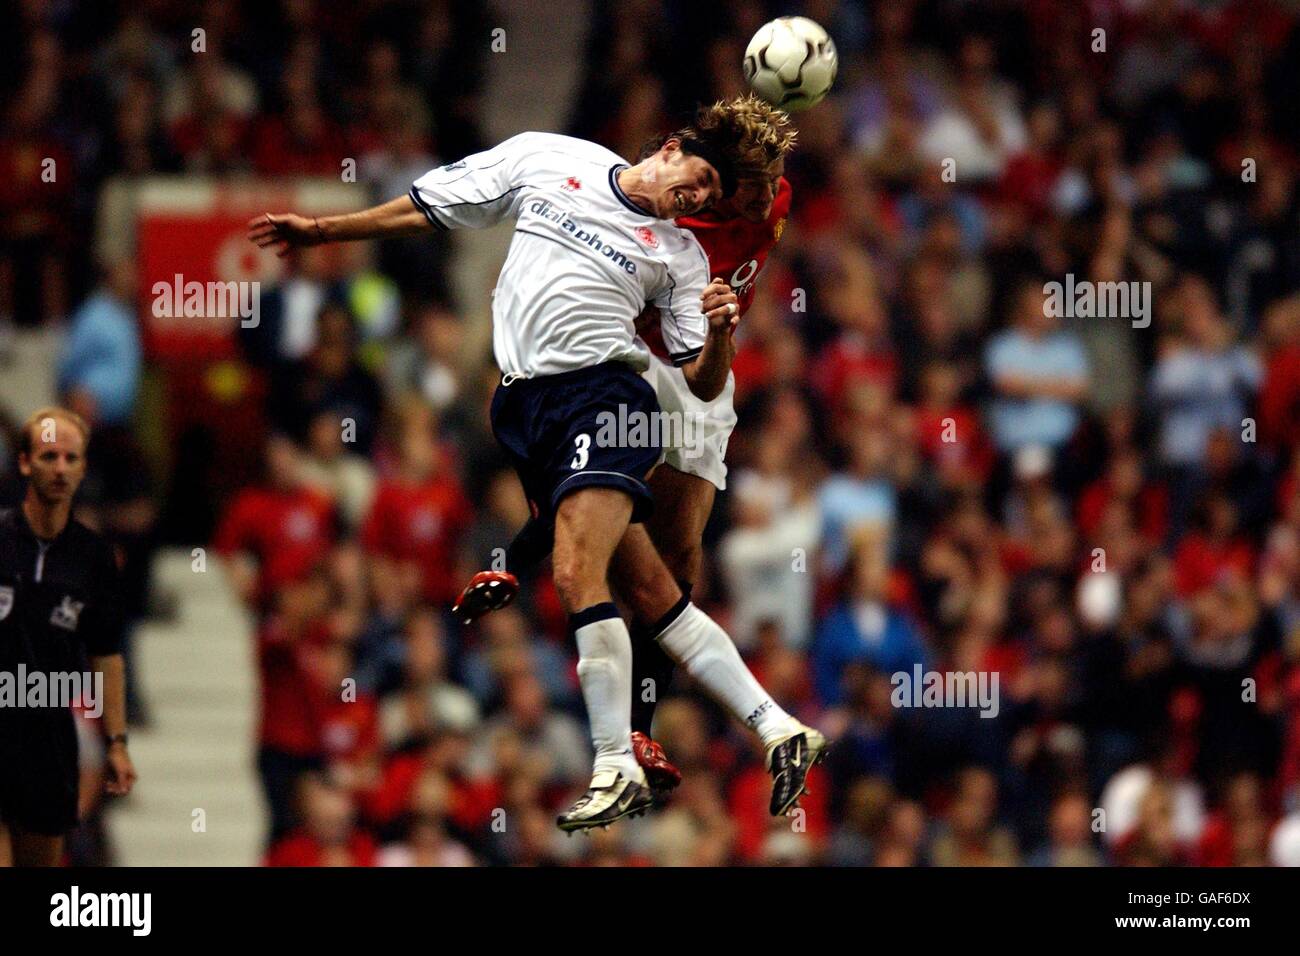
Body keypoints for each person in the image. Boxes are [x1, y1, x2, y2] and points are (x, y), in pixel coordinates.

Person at [250, 106, 814, 831]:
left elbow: (699, 383)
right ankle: (777, 728)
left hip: (606, 393)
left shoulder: (679, 255)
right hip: (528, 406)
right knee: (649, 589)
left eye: (710, 195)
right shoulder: (551, 158)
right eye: (698, 180)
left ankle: (615, 760)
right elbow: (428, 209)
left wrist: (719, 332)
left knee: (582, 574)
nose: (698, 198)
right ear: (669, 150)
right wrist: (325, 230)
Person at [452, 98, 826, 816]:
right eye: (725, 186)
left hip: (698, 377)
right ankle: (647, 738)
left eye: (743, 188)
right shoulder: (671, 196)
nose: (731, 200)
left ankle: (647, 738)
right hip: (630, 370)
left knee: (670, 562)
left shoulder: (750, 199)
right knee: (623, 550)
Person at [0, 406, 136, 866]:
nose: (59, 469)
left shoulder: (95, 559)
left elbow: (106, 654)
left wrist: (116, 741)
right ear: (24, 463)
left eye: (71, 459)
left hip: (48, 739)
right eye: (48, 456)